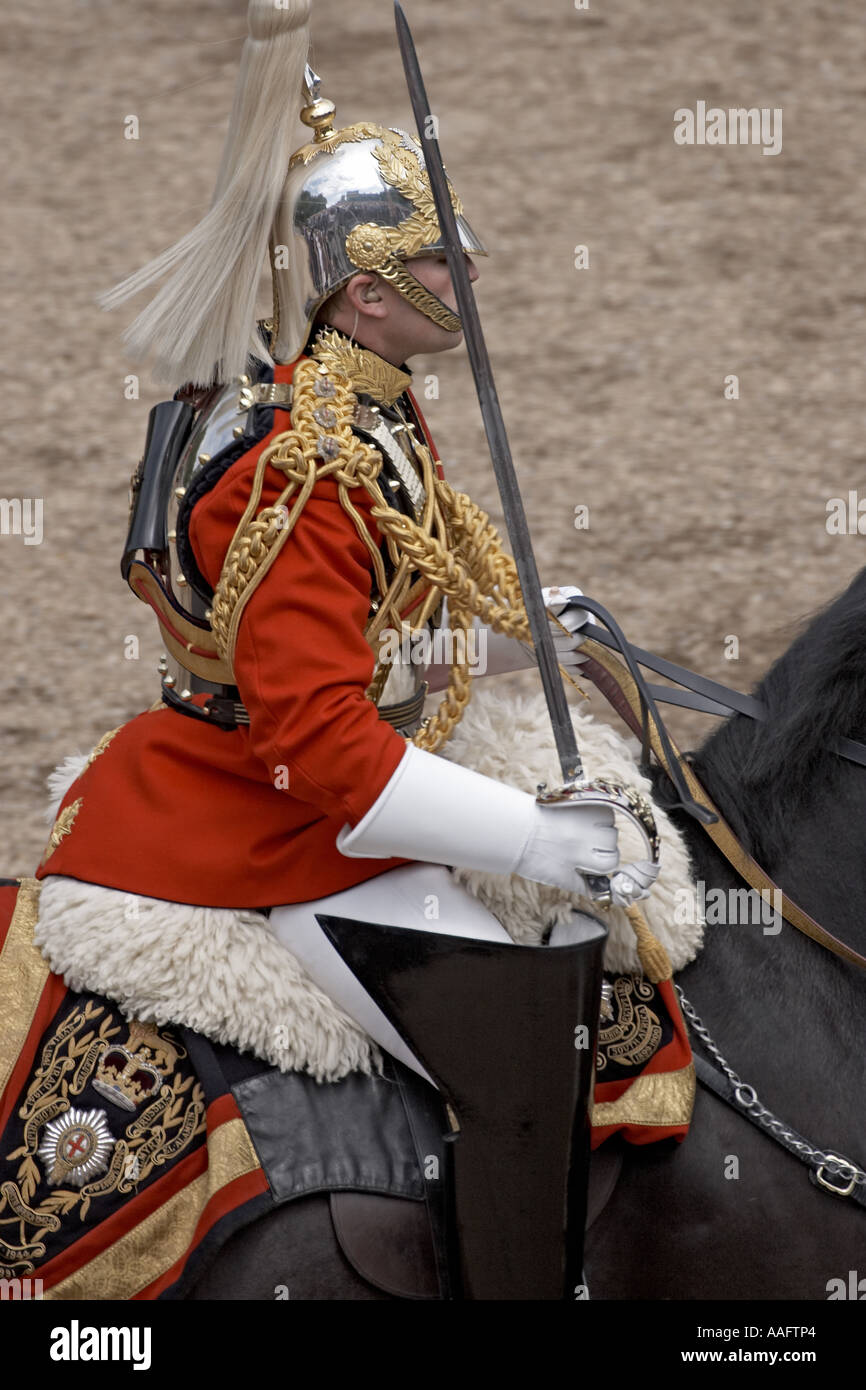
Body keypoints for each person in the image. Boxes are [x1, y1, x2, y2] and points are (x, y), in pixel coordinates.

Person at [34, 0, 654, 1084]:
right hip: (267, 817)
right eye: (441, 254)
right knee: (526, 1056)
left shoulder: (365, 398)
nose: (470, 267)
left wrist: (522, 633)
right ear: (368, 292)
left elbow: (374, 626)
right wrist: (532, 837)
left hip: (324, 764)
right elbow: (319, 739)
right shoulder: (306, 471)